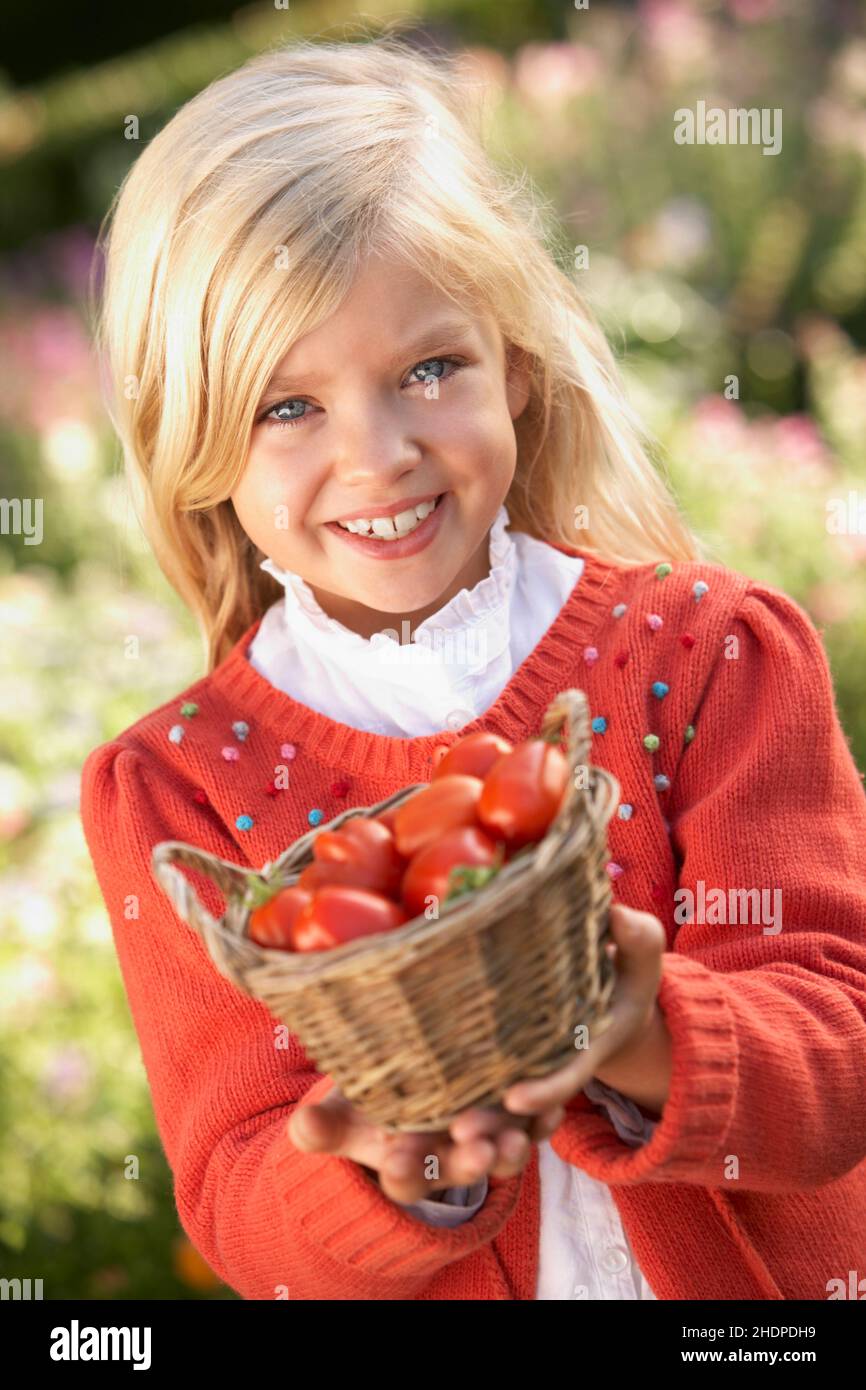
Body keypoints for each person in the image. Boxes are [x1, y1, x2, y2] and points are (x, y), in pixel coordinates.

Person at [80, 33, 866, 1301]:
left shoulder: (708, 654)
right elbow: (239, 1204)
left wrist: (640, 1030)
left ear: (513, 365)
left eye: (427, 369)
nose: (378, 452)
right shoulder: (181, 794)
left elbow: (839, 1051)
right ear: (197, 441)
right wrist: (386, 1171)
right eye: (288, 407)